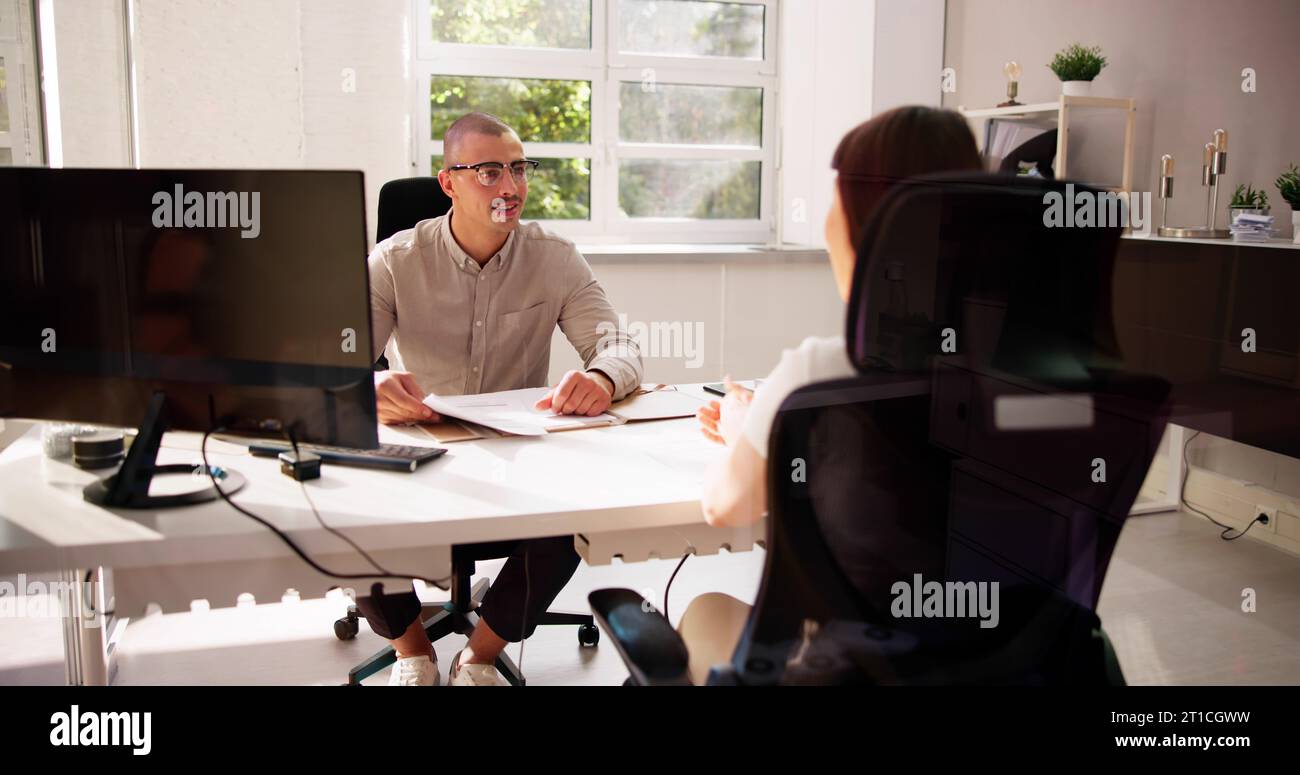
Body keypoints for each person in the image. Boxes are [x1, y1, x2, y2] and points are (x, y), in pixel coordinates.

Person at [683, 106, 983, 684]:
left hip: (854, 670)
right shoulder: (1028, 369)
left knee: (705, 611)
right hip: (1008, 662)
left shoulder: (822, 370)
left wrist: (746, 430)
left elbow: (729, 507)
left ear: (863, 228)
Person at [362, 111, 643, 685]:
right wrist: (369, 386)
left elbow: (619, 345)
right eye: (489, 172)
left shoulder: (555, 257)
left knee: (576, 511)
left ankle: (480, 654)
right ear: (449, 182)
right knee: (343, 508)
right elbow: (327, 367)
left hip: (516, 454)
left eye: (518, 169)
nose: (510, 188)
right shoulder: (395, 260)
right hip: (419, 449)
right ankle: (413, 650)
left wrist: (604, 378)